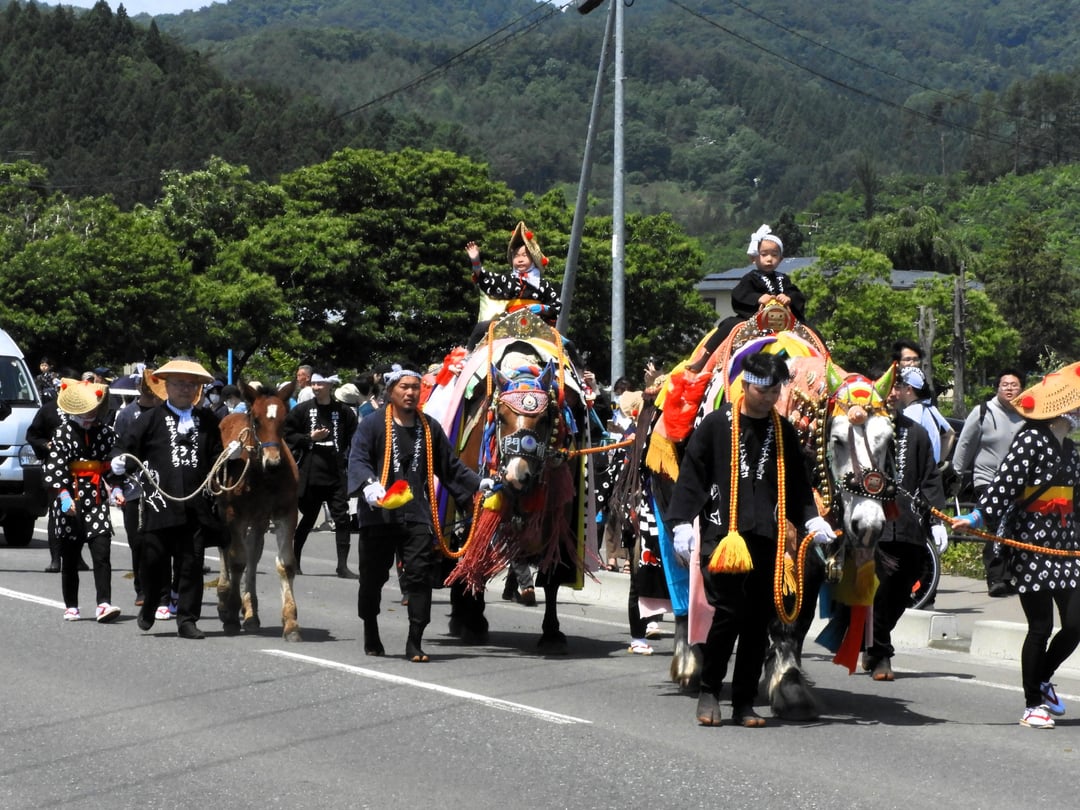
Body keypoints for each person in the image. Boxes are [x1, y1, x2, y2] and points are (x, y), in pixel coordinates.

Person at [665, 352, 830, 727]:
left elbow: (799, 487)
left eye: (775, 390)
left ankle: (743, 702)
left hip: (765, 537)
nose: (770, 397)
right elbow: (692, 476)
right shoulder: (715, 425)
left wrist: (812, 519)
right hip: (724, 538)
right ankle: (710, 690)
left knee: (758, 621)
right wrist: (680, 524)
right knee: (729, 615)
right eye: (762, 390)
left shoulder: (783, 431)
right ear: (744, 384)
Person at [952, 361, 1080, 729]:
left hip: (1066, 548)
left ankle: (1043, 678)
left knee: (1074, 624)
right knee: (1040, 626)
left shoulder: (1071, 451)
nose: (1076, 412)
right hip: (1031, 546)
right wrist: (976, 519)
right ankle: (1031, 704)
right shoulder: (1029, 440)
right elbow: (1002, 489)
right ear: (1058, 410)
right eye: (1072, 407)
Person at [347, 363, 486, 662]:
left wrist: (478, 483)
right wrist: (369, 486)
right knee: (371, 579)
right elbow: (357, 459)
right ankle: (370, 627)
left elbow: (450, 466)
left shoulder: (429, 427)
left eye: (415, 387)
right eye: (404, 388)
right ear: (390, 391)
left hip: (417, 515)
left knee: (420, 576)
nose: (411, 393)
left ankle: (415, 640)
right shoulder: (371, 424)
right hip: (379, 514)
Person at [110, 358, 223, 640]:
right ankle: (150, 603)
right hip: (160, 503)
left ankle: (187, 619)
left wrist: (227, 457)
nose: (185, 389)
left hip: (195, 504)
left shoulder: (208, 420)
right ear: (167, 387)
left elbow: (215, 456)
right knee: (153, 559)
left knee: (191, 563)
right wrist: (119, 464)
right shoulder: (149, 419)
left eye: (191, 384)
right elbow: (124, 450)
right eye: (179, 384)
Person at [861, 370, 948, 681]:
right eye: (888, 387)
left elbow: (930, 477)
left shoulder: (917, 433)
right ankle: (882, 653)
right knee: (882, 588)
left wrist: (936, 517)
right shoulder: (863, 430)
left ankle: (871, 643)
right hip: (876, 524)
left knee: (904, 588)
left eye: (898, 387)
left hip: (911, 524)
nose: (893, 393)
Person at [44, 378, 122, 622]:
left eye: (94, 408)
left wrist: (117, 487)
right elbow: (55, 467)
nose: (91, 414)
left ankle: (104, 603)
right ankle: (72, 604)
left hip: (96, 497)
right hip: (71, 497)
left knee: (102, 551)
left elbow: (112, 464)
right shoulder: (63, 433)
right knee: (70, 554)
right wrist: (64, 495)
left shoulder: (106, 433)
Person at [951, 369, 1026, 596]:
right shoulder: (983, 412)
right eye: (1005, 384)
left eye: (1014, 384)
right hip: (988, 480)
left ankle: (1012, 575)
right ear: (997, 388)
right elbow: (964, 444)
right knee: (998, 526)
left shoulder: (1027, 413)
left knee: (1016, 528)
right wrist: (956, 474)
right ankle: (996, 578)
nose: (1010, 388)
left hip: (1019, 484)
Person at [284, 372, 359, 578]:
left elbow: (356, 438)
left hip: (335, 471)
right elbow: (287, 433)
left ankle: (342, 566)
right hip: (311, 471)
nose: (316, 387)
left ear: (330, 385)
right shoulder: (302, 410)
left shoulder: (343, 411)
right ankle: (295, 561)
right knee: (308, 518)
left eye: (320, 383)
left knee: (342, 518)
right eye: (314, 383)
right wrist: (309, 437)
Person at [465, 221, 562, 350]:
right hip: (508, 322)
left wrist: (542, 308)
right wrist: (476, 261)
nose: (520, 259)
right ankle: (467, 357)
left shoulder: (543, 284)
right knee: (481, 327)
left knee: (567, 344)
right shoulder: (508, 279)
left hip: (537, 324)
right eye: (516, 256)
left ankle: (580, 369)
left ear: (533, 259)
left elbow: (556, 305)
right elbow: (486, 279)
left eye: (524, 255)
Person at [112, 366, 163, 608]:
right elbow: (118, 447)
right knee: (137, 540)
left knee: (162, 540)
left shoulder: (165, 413)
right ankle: (141, 588)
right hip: (133, 486)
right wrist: (117, 483)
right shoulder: (126, 415)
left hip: (161, 486)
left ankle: (164, 590)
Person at [893, 365, 953, 464]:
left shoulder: (911, 412)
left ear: (908, 389)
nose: (895, 391)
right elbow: (950, 434)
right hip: (931, 475)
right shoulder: (931, 409)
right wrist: (938, 463)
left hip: (918, 476)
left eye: (898, 386)